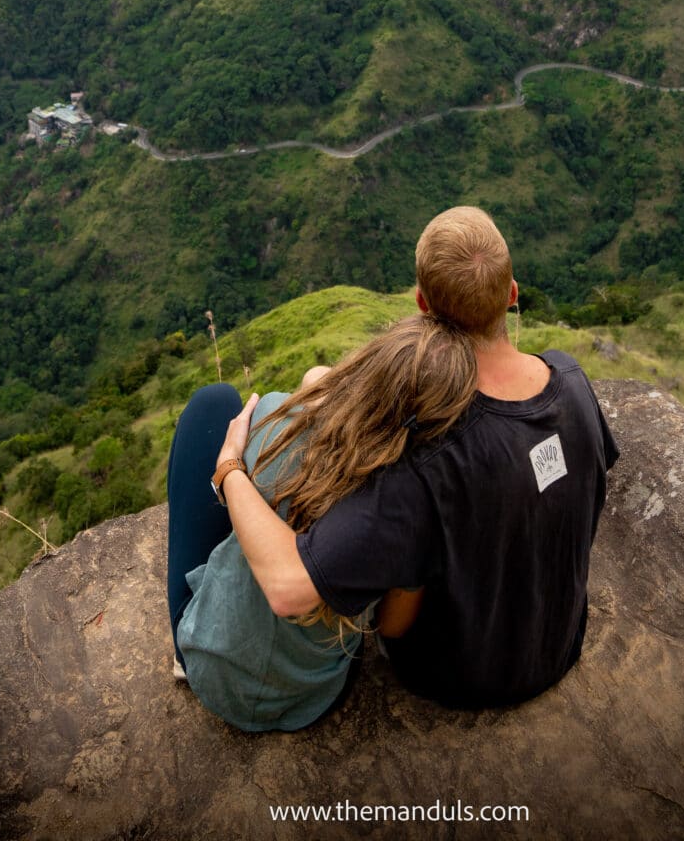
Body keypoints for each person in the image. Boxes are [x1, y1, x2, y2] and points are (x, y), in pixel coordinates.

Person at [216, 205, 620, 710]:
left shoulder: (430, 458)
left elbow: (289, 587)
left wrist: (230, 468)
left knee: (233, 422)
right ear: (512, 294)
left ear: (423, 305)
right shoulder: (572, 384)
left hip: (456, 678)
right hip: (557, 648)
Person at [166, 314, 477, 730]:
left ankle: (191, 640)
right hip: (311, 699)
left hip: (209, 665)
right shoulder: (408, 515)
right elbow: (392, 626)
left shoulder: (275, 419)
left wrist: (230, 465)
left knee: (213, 402)